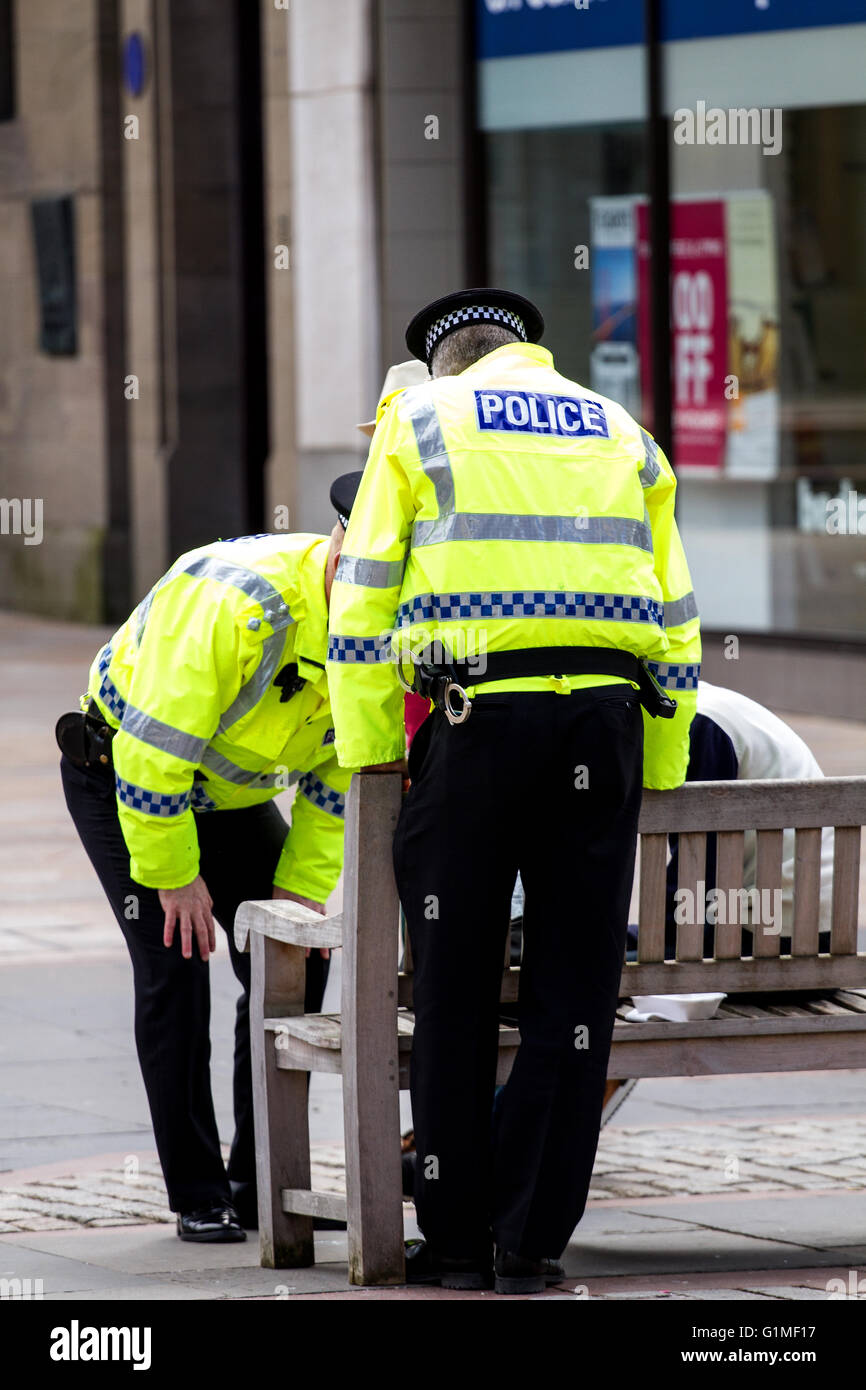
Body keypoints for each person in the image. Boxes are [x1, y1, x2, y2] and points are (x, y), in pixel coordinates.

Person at [326, 287, 701, 1292]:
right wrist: (659, 765)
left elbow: (363, 597)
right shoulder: (622, 431)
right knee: (574, 996)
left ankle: (454, 1243)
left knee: (451, 990)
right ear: (529, 353)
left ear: (445, 363)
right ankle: (530, 1244)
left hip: (474, 722)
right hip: (604, 725)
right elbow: (675, 616)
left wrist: (372, 750)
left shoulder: (418, 418)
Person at [58, 510, 356, 1242]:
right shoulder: (236, 605)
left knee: (296, 959)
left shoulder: (383, 625)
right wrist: (174, 876)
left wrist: (301, 885)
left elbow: (343, 766)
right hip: (124, 776)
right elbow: (152, 752)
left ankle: (262, 1179)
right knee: (176, 964)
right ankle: (198, 1190)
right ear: (339, 548)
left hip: (229, 799)